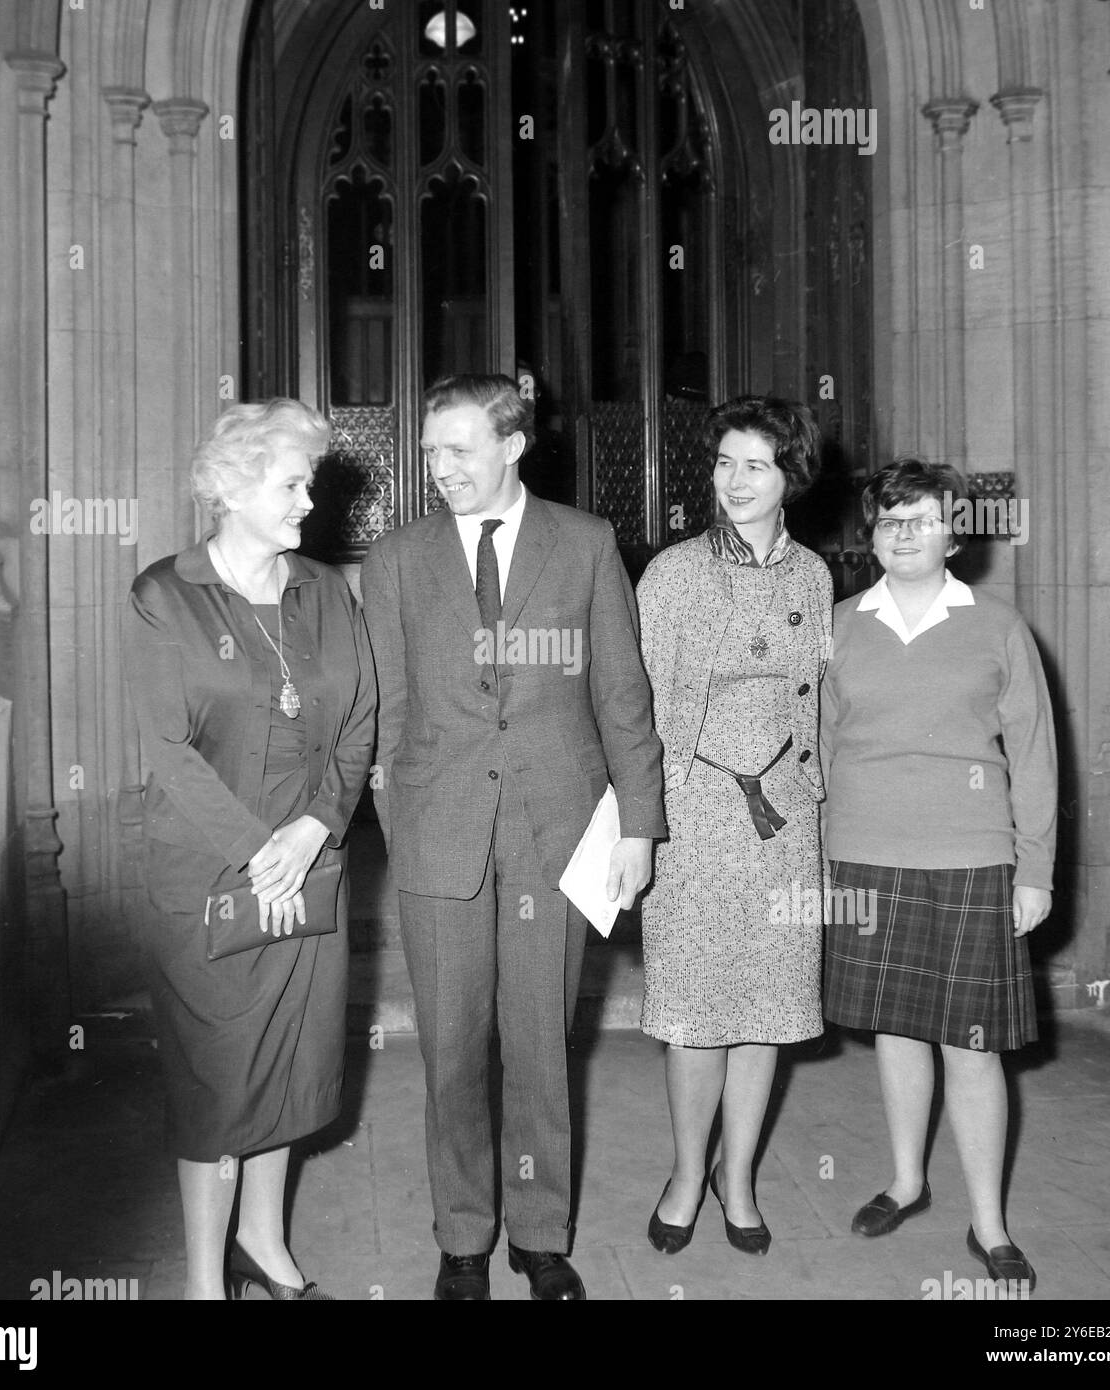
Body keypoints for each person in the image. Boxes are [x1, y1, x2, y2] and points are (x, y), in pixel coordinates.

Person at [360, 373, 665, 1300]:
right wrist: (403, 820)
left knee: (538, 1043)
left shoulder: (584, 543)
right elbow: (385, 710)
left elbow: (620, 691)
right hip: (439, 832)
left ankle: (538, 1236)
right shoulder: (397, 558)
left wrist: (640, 826)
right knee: (450, 1049)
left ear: (512, 444)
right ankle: (461, 1239)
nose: (437, 467)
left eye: (457, 449)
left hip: (556, 833)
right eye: (428, 450)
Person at [121, 399, 376, 1301]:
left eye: (310, 482)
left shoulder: (323, 591)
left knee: (295, 1064)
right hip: (209, 873)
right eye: (292, 483)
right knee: (217, 1081)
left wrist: (313, 829)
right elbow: (165, 750)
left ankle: (263, 1242)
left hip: (313, 860)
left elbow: (359, 724)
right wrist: (259, 851)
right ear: (231, 489)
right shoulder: (166, 595)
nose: (309, 502)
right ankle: (200, 1281)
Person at [821, 457, 1056, 1289]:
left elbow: (1031, 755)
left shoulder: (995, 627)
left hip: (969, 856)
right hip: (865, 854)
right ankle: (906, 1180)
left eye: (921, 520)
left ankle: (988, 1223)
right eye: (889, 521)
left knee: (972, 1044)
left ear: (954, 533)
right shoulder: (840, 625)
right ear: (870, 536)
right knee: (894, 1030)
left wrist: (1034, 872)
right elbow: (816, 749)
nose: (904, 535)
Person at [636, 396, 832, 1256]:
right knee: (693, 1009)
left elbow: (817, 698)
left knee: (768, 1005)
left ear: (790, 475)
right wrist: (639, 819)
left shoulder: (814, 577)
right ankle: (687, 1172)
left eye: (756, 464)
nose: (736, 481)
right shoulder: (673, 573)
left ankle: (738, 1176)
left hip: (784, 819)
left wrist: (817, 794)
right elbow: (635, 709)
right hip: (694, 813)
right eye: (724, 462)